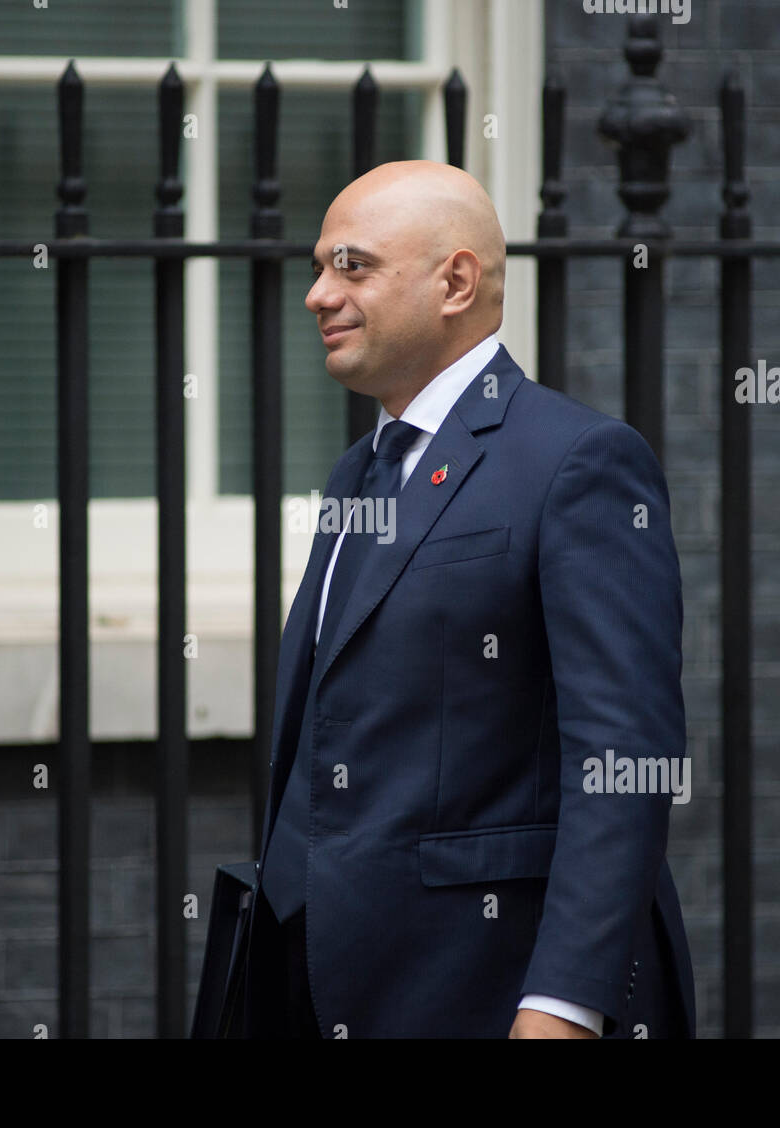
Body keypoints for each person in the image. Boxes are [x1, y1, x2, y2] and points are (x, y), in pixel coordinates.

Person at [241, 160, 695, 1039]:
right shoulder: (359, 469)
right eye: (317, 268)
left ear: (455, 281)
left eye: (352, 265)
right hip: (321, 986)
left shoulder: (580, 462)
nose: (317, 296)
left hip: (484, 993)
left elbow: (623, 757)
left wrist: (563, 1004)